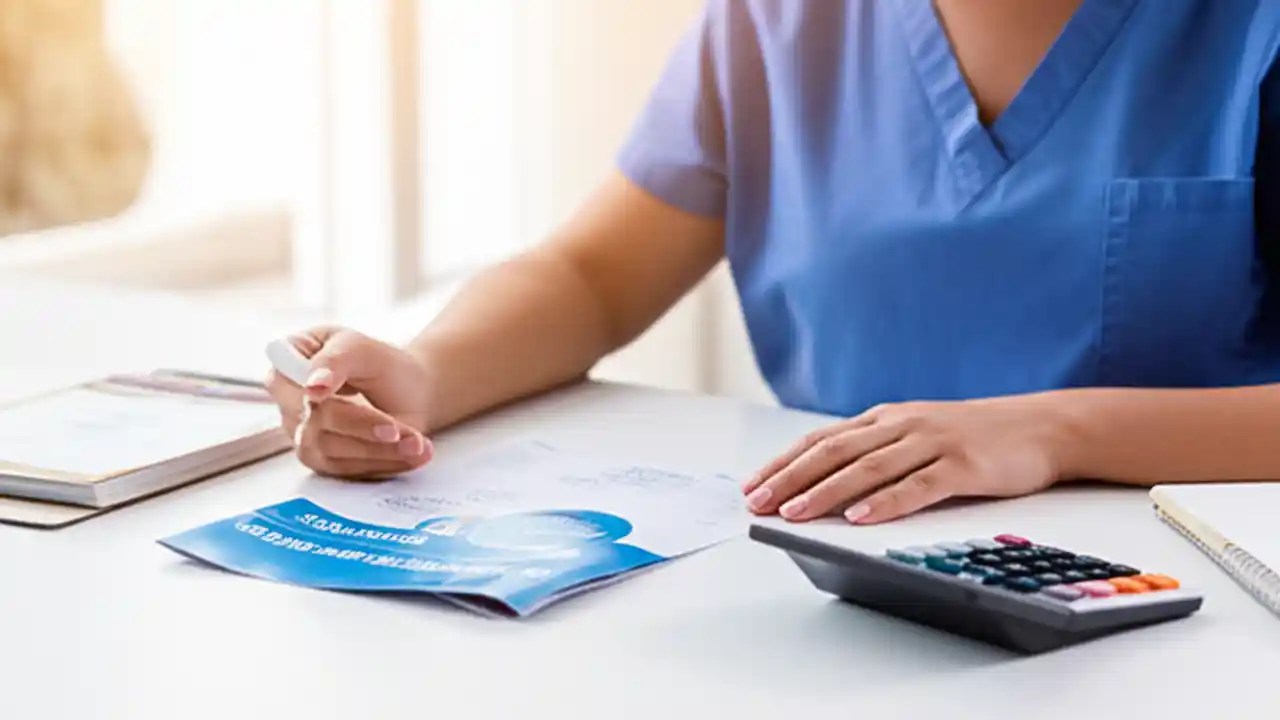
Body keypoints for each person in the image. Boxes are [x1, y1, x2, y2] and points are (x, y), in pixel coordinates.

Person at [267, 0, 1280, 526]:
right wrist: (428, 374)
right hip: (837, 570)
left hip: (1180, 592)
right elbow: (594, 275)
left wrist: (1053, 432)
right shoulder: (778, 20)